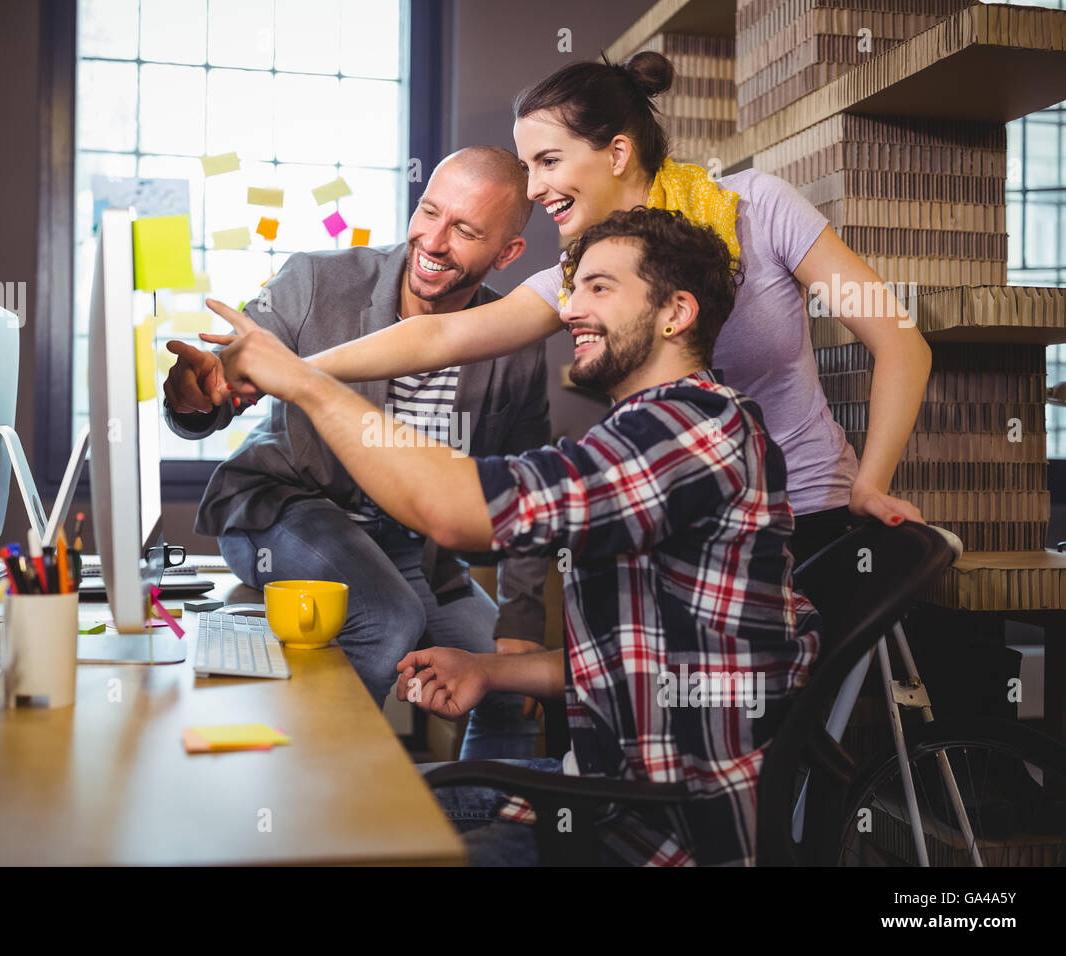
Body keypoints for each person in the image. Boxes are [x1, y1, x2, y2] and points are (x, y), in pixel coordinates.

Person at [206, 206, 820, 866]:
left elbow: (457, 509)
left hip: (654, 835)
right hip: (594, 796)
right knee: (354, 824)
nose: (571, 309)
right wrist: (490, 669)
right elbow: (647, 661)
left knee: (344, 838)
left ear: (675, 313)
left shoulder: (687, 433)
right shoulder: (658, 430)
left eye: (600, 288)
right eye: (573, 287)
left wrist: (303, 378)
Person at [217, 51, 932, 567]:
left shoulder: (759, 207)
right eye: (527, 166)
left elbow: (900, 341)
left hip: (807, 506)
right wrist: (288, 367)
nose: (530, 188)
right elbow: (441, 339)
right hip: (680, 508)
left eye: (548, 162)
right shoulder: (586, 271)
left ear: (617, 152)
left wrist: (870, 484)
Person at [162, 147, 550, 759]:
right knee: (387, 618)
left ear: (507, 253)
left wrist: (522, 628)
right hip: (286, 509)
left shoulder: (516, 342)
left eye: (466, 230)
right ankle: (323, 794)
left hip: (408, 548)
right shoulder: (317, 281)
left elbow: (529, 495)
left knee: (502, 670)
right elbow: (228, 378)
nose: (434, 240)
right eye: (428, 211)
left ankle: (482, 826)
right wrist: (198, 394)